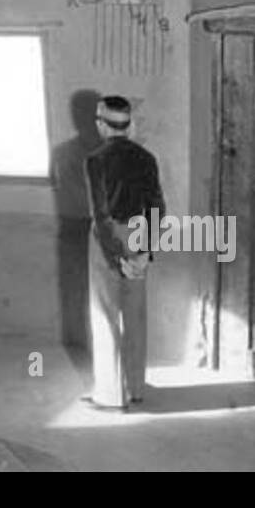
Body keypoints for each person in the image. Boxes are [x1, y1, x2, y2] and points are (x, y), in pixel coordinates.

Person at [81, 95, 166, 411]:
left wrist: (116, 255)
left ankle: (110, 395)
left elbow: (101, 214)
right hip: (139, 232)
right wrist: (145, 252)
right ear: (129, 125)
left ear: (101, 124)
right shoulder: (146, 157)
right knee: (135, 314)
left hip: (109, 238)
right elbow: (158, 206)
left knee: (105, 314)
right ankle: (135, 387)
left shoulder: (95, 160)